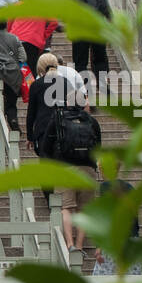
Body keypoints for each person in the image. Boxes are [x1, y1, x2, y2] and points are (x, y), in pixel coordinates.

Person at [38, 101, 101, 249]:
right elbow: (99, 148)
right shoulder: (92, 122)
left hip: (64, 168)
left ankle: (69, 243)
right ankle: (79, 246)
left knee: (66, 208)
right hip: (88, 169)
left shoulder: (58, 119)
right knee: (84, 210)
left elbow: (45, 147)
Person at [62, 0, 112, 83]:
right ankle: (104, 87)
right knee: (100, 58)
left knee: (80, 62)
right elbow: (105, 7)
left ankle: (83, 91)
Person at [5, 12, 59, 78]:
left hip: (14, 39)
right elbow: (54, 22)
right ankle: (30, 87)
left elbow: (9, 22)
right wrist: (44, 36)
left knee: (13, 67)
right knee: (31, 69)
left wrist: (9, 34)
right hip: (32, 41)